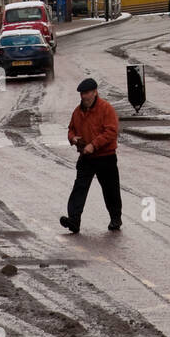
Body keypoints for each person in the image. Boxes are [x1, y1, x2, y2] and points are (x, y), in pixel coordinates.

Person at [60, 78, 122, 234]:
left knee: (110, 190)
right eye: (82, 94)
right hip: (86, 158)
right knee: (79, 188)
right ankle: (74, 220)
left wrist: (93, 145)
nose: (84, 96)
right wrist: (72, 138)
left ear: (95, 92)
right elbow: (71, 129)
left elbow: (111, 132)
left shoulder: (106, 109)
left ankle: (115, 218)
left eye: (87, 93)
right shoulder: (77, 111)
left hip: (105, 156)